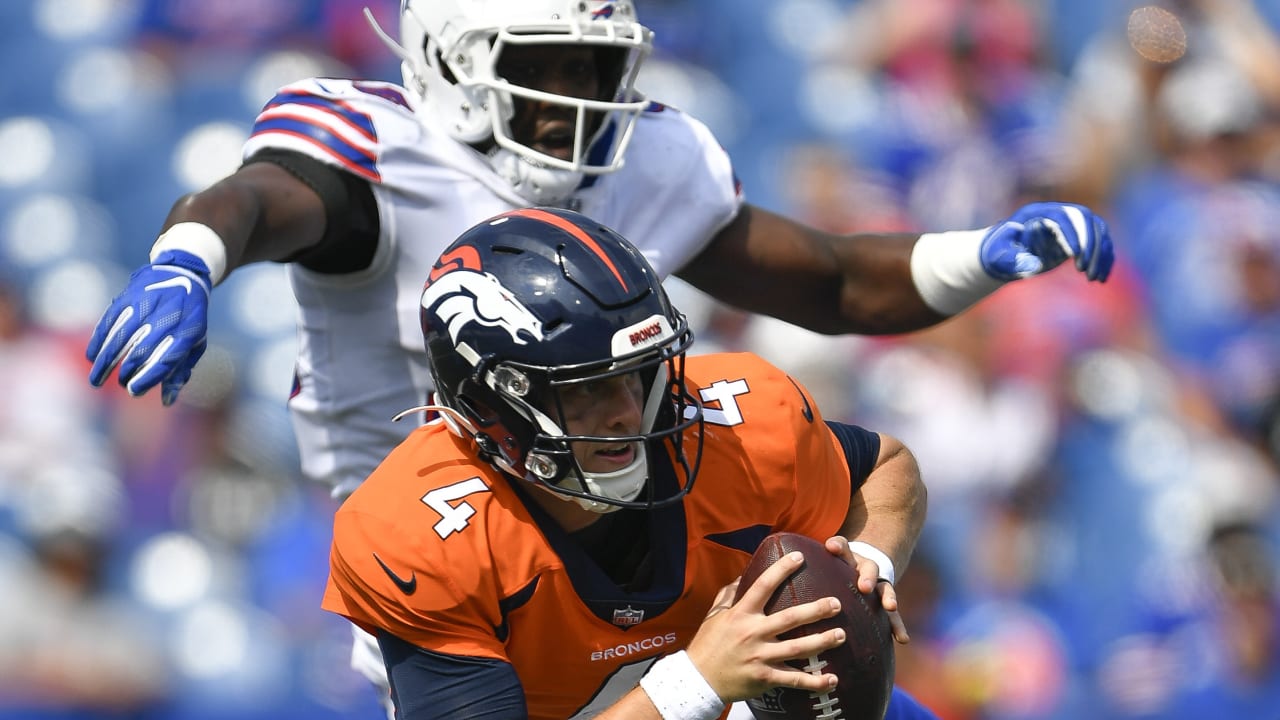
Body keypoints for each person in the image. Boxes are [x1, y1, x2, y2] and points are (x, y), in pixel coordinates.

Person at [82, 0, 1111, 710]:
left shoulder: (645, 160)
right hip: (450, 562)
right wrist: (189, 256)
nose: (576, 96)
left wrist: (978, 254)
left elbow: (828, 282)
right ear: (453, 59)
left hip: (633, 511)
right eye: (542, 69)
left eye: (592, 65)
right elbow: (260, 200)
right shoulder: (377, 155)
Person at [323, 206, 934, 719]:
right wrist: (696, 681)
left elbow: (888, 467)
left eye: (638, 374)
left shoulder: (745, 427)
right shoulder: (416, 533)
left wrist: (869, 561)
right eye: (585, 387)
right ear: (495, 398)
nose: (626, 411)